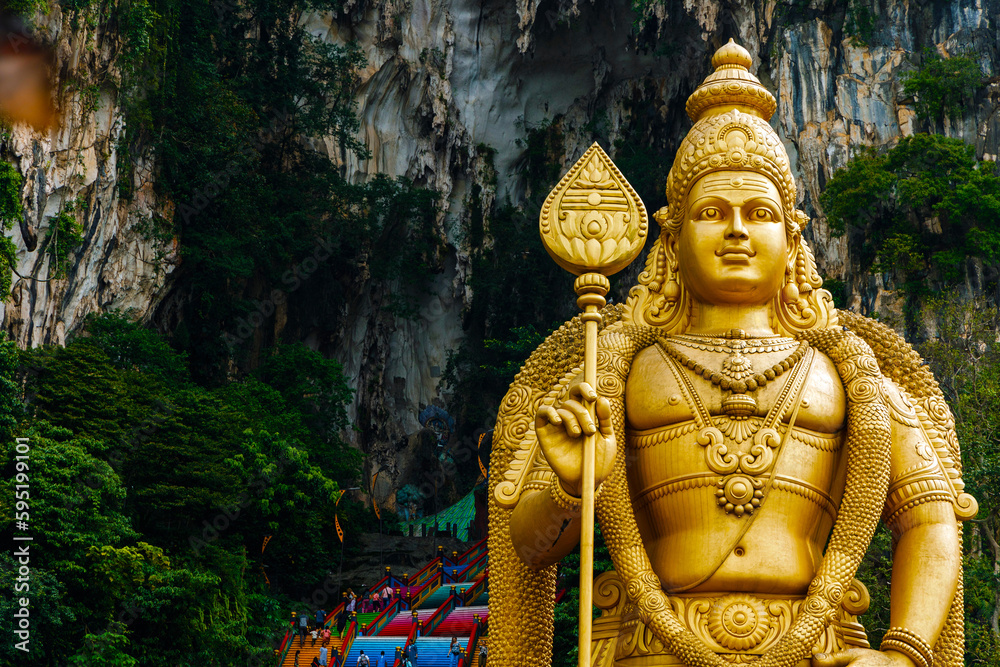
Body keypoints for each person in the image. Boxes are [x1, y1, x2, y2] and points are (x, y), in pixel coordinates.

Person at [492, 39, 974, 667]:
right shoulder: (611, 374)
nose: (738, 230)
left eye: (760, 212)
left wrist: (905, 652)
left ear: (792, 238)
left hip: (816, 650)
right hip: (653, 649)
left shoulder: (849, 375)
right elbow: (527, 546)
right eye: (713, 212)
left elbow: (930, 516)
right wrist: (569, 486)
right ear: (673, 238)